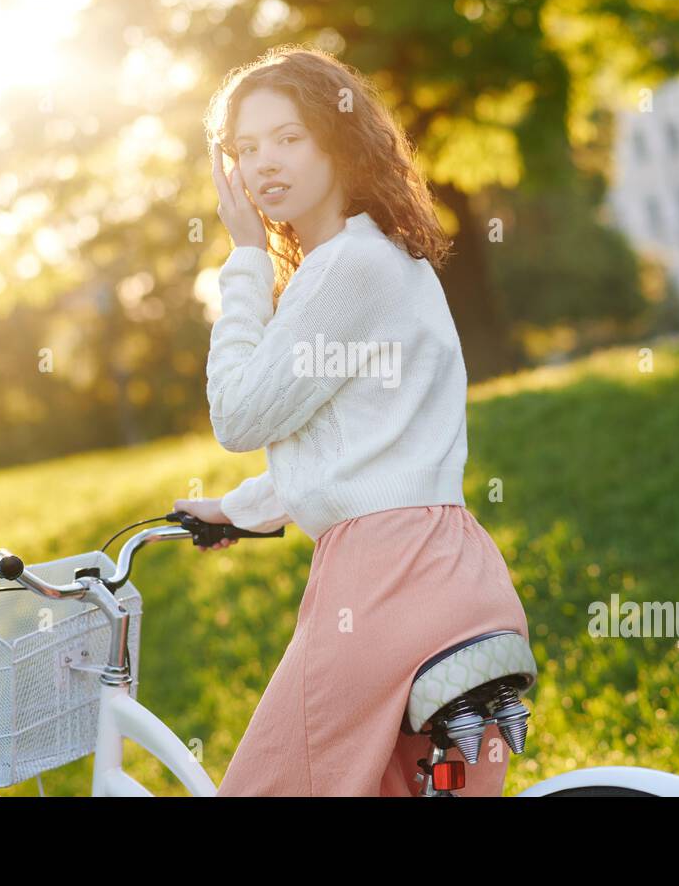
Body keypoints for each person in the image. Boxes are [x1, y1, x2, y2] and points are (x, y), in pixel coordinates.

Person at [173, 44, 532, 797]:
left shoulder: (344, 271)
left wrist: (242, 259)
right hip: (452, 569)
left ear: (339, 140)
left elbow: (238, 416)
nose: (263, 162)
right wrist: (242, 508)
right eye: (244, 148)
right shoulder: (382, 260)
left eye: (287, 138)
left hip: (382, 582)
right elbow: (360, 440)